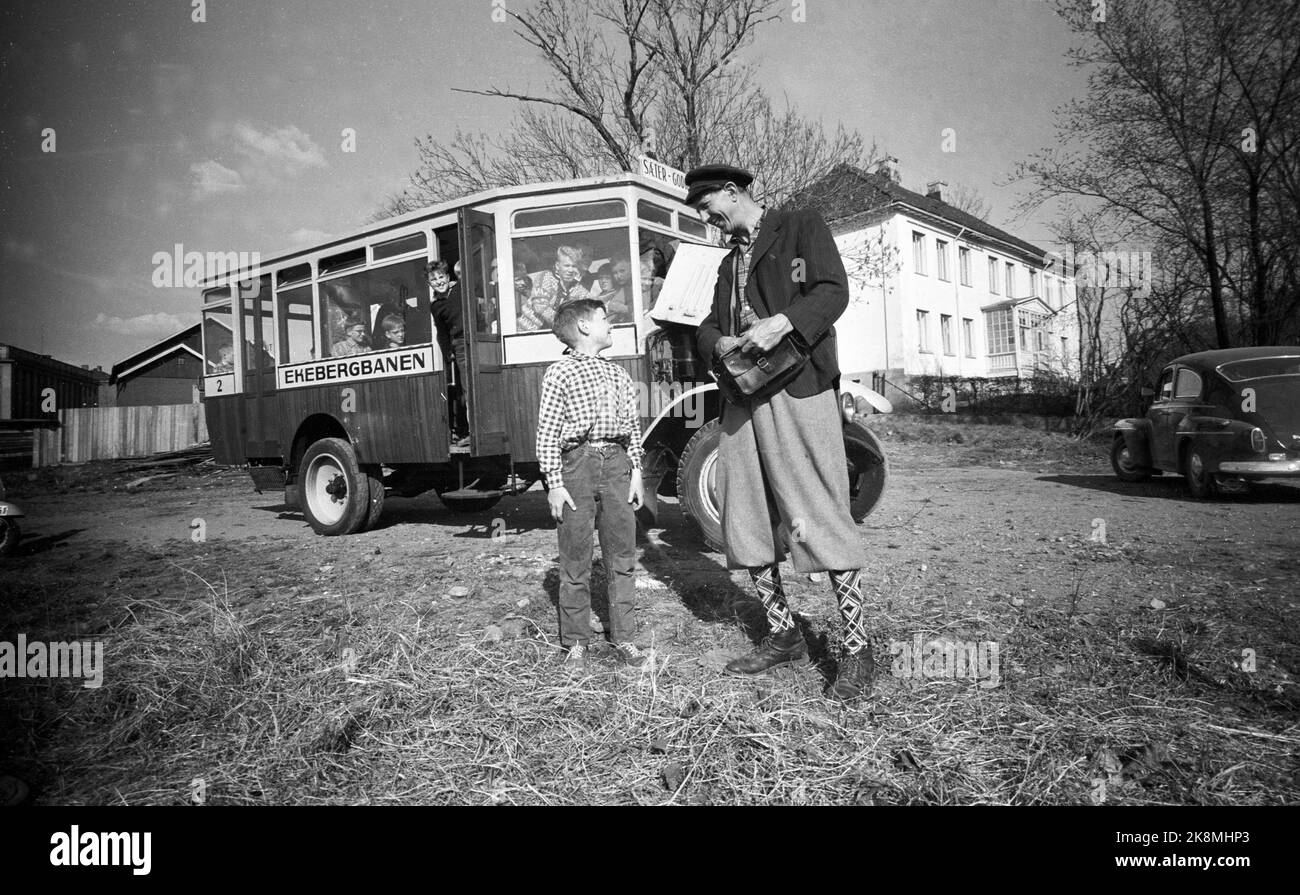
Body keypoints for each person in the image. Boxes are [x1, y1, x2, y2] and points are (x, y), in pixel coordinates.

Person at [687, 162, 872, 702]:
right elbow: (706, 323)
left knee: (817, 507)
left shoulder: (800, 226)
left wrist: (785, 321)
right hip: (743, 395)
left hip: (799, 386)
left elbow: (832, 291)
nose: (706, 218)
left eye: (707, 207)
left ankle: (858, 649)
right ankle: (782, 633)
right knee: (744, 510)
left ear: (733, 190)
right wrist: (714, 342)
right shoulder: (727, 264)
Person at [535, 299, 647, 675]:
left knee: (622, 555)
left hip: (616, 464)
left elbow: (632, 428)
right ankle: (576, 642)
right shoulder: (559, 373)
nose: (611, 324)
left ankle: (625, 635)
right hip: (576, 467)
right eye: (604, 319)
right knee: (575, 559)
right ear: (583, 327)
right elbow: (547, 433)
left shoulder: (619, 374)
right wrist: (553, 483)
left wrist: (635, 472)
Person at [428, 260, 469, 445]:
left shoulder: (460, 288)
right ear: (430, 284)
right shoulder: (436, 306)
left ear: (448, 277)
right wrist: (447, 353)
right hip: (459, 344)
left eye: (441, 277)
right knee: (467, 387)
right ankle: (471, 431)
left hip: (475, 339)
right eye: (434, 279)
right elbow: (442, 332)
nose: (439, 281)